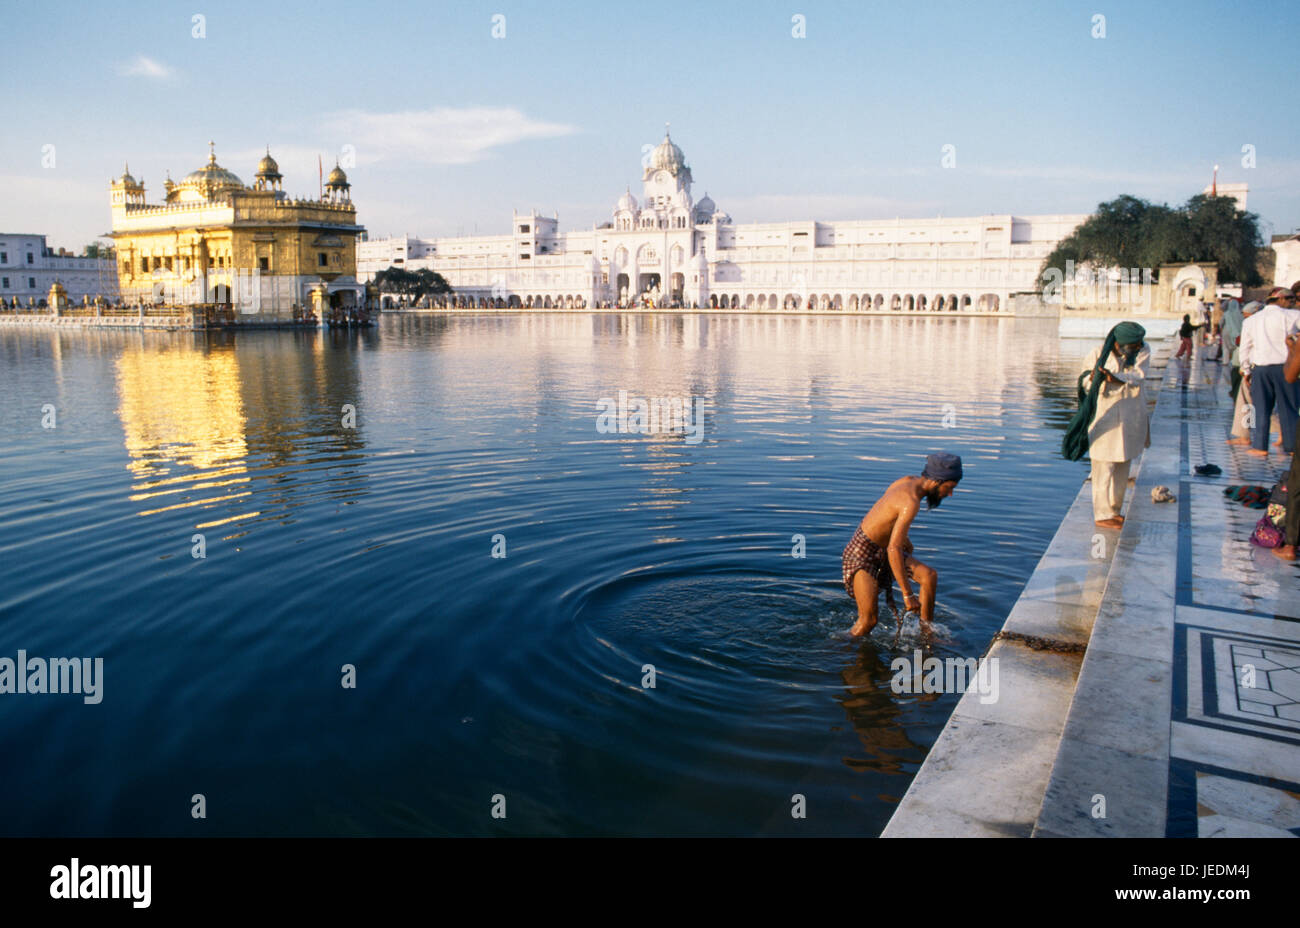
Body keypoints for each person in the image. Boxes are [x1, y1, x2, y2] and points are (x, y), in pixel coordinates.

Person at [841, 453, 962, 637]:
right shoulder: (911, 502)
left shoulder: (907, 480)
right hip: (861, 552)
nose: (950, 494)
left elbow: (886, 515)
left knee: (929, 576)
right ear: (937, 481)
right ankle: (835, 651)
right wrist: (908, 595)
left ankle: (926, 633)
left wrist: (905, 541)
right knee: (869, 621)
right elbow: (893, 549)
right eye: (949, 487)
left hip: (883, 547)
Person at [1080, 322, 1151, 528]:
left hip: (1130, 414)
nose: (1137, 347)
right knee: (1104, 465)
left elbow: (1139, 376)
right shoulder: (1097, 354)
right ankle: (1102, 514)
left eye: (1138, 344)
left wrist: (1116, 378)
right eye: (1133, 345)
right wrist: (1094, 378)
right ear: (1120, 343)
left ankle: (1114, 509)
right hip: (1106, 414)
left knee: (1123, 462)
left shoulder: (1143, 351)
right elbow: (1083, 380)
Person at [1240, 287, 1300, 456]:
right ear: (1281, 299)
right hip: (1286, 368)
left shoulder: (1251, 321)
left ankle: (1260, 447)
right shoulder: (1293, 316)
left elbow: (1245, 347)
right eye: (1290, 300)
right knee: (1288, 408)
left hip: (1261, 369)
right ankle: (1292, 447)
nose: (1292, 303)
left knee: (1261, 408)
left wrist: (1245, 370)